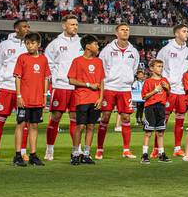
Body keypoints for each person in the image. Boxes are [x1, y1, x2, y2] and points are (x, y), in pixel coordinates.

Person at [0, 19, 30, 162]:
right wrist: (4, 81)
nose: (27, 29)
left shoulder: (29, 46)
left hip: (23, 90)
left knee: (23, 122)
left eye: (28, 26)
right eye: (24, 27)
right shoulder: (4, 45)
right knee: (0, 121)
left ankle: (23, 152)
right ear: (16, 29)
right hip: (7, 88)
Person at [97, 22, 139, 160]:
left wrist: (127, 80)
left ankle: (126, 150)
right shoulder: (107, 50)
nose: (125, 32)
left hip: (125, 89)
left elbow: (133, 69)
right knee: (105, 117)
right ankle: (99, 149)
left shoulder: (133, 51)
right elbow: (101, 69)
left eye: (127, 30)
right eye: (122, 30)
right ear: (116, 33)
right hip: (110, 88)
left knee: (126, 118)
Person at [44, 15, 83, 161]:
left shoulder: (82, 43)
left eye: (76, 24)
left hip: (77, 87)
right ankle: (49, 149)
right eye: (72, 24)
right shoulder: (55, 43)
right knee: (56, 117)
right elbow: (48, 63)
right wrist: (57, 77)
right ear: (64, 26)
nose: (75, 27)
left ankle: (76, 150)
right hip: (61, 85)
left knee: (76, 118)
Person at [155, 23, 188, 157]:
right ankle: (156, 148)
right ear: (176, 33)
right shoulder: (166, 49)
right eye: (184, 31)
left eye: (187, 31)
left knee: (180, 119)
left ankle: (177, 148)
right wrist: (164, 83)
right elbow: (158, 66)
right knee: (163, 119)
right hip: (169, 90)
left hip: (182, 91)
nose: (186, 33)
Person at [11, 32, 49, 166]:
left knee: (34, 126)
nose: (30, 46)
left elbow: (46, 78)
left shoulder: (43, 59)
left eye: (32, 43)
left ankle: (33, 155)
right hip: (24, 99)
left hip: (37, 99)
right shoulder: (22, 58)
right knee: (20, 125)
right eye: (27, 43)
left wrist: (45, 96)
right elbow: (17, 78)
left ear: (38, 44)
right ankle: (17, 155)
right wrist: (19, 96)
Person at [66, 34, 104, 165]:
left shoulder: (99, 62)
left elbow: (101, 81)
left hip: (95, 99)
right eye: (96, 44)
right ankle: (75, 153)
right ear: (88, 46)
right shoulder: (77, 61)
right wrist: (88, 85)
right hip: (82, 98)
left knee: (91, 126)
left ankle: (87, 154)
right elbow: (71, 80)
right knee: (80, 126)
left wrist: (101, 97)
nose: (98, 46)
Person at [139, 58, 171, 162]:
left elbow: (168, 94)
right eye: (158, 66)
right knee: (148, 132)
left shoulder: (165, 80)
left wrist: (167, 88)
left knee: (160, 132)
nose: (160, 68)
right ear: (152, 68)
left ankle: (161, 154)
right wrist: (155, 90)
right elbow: (144, 97)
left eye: (161, 66)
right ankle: (144, 154)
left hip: (161, 108)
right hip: (150, 108)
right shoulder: (148, 81)